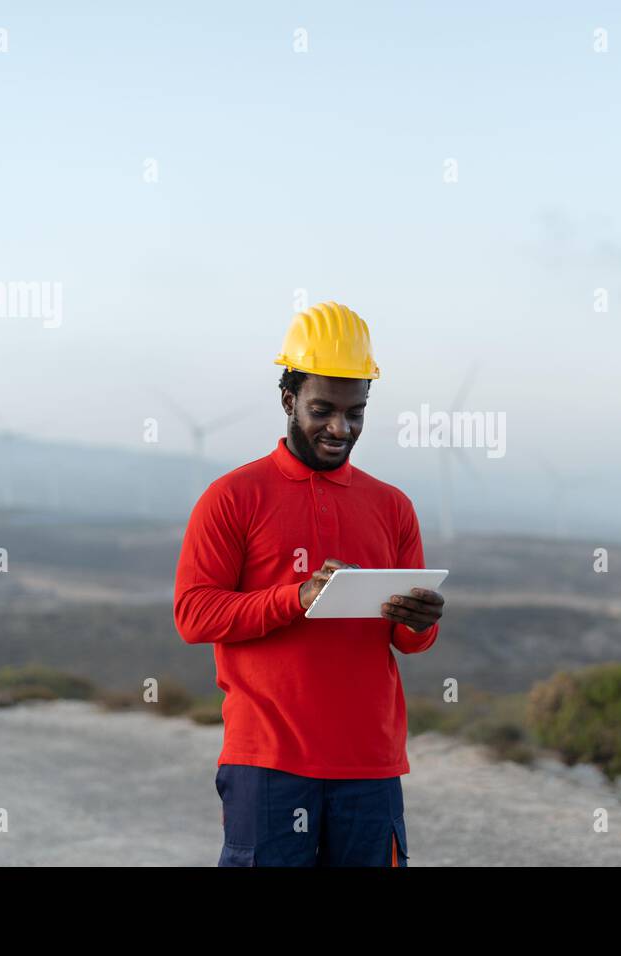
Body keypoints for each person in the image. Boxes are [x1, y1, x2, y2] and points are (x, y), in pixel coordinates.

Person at [173, 300, 446, 866]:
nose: (340, 428)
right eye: (323, 409)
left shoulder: (393, 506)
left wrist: (420, 624)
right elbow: (194, 615)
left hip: (370, 763)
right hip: (267, 759)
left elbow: (409, 643)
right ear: (288, 399)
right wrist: (297, 597)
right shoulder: (232, 498)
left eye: (356, 412)